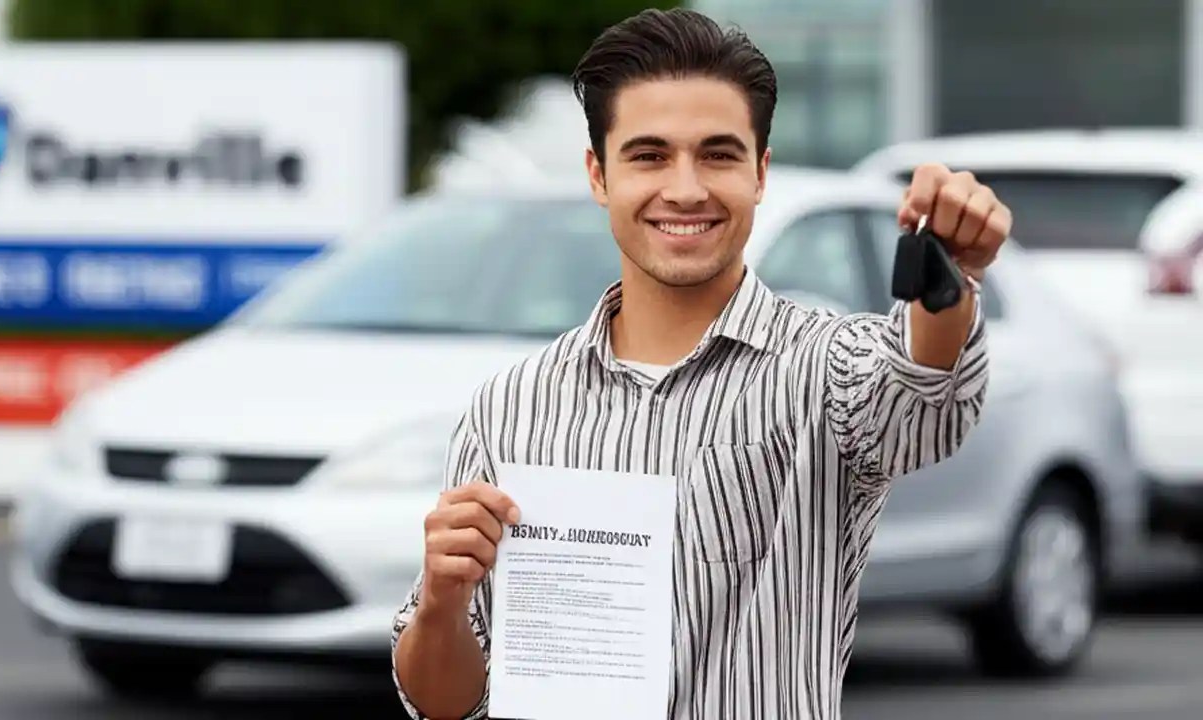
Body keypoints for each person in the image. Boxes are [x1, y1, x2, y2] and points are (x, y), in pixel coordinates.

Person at [391, 8, 1007, 719]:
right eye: (649, 155)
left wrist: (946, 280)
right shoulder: (510, 407)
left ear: (759, 172)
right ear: (598, 175)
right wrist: (441, 601)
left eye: (717, 154)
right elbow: (443, 705)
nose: (685, 189)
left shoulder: (823, 370)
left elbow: (924, 406)